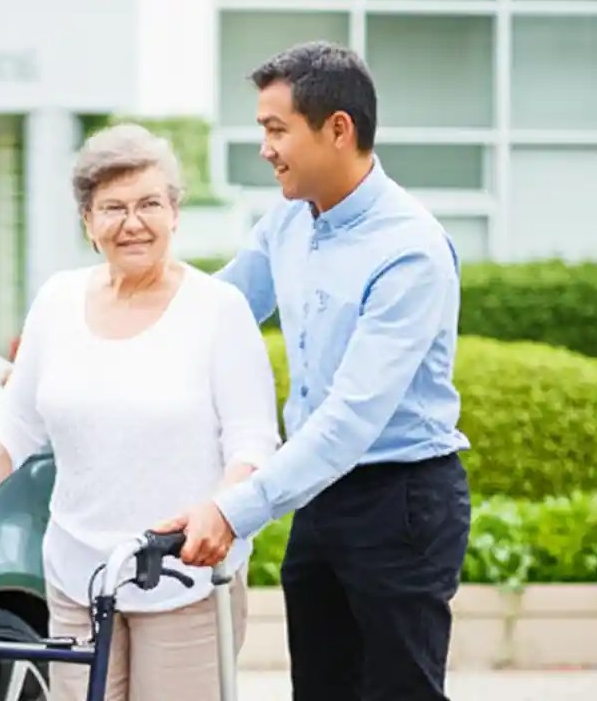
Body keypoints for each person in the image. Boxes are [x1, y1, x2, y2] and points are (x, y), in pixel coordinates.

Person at [0, 123, 281, 700]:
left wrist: (221, 511)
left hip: (182, 578)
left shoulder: (218, 310)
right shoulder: (59, 301)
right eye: (112, 208)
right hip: (77, 575)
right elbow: (15, 422)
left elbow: (254, 443)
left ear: (175, 214)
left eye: (149, 204)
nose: (132, 222)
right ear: (88, 222)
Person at [158, 41, 473, 701]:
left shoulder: (410, 251)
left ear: (338, 129)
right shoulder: (290, 221)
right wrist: (90, 341)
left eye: (277, 130)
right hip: (320, 497)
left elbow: (349, 420)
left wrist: (233, 509)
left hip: (401, 503)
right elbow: (219, 309)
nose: (265, 149)